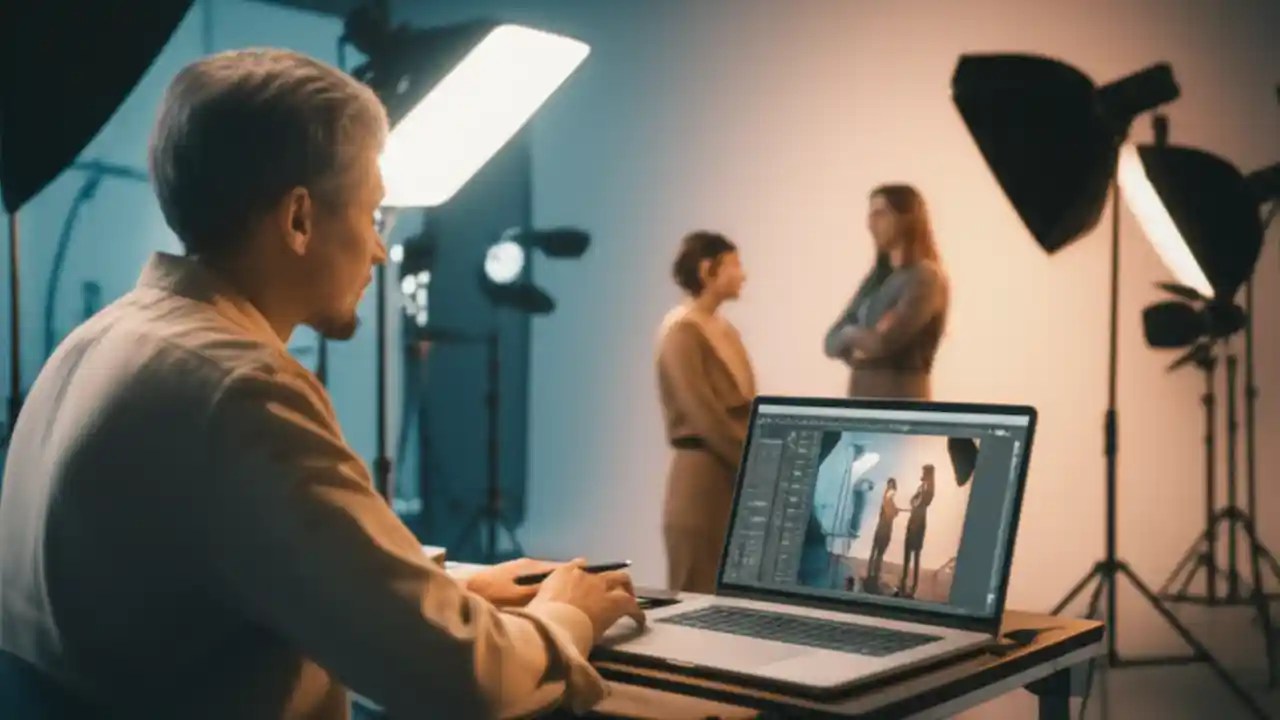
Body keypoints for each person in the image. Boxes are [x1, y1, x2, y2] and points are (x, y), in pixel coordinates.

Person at [0, 49, 642, 720]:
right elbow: (464, 683)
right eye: (371, 215)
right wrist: (564, 617)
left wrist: (458, 586)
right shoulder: (241, 390)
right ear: (299, 219)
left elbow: (222, 556)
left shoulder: (96, 344)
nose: (378, 250)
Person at [656, 231, 755, 593]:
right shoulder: (681, 331)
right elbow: (702, 413)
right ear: (707, 269)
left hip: (731, 472)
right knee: (696, 585)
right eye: (735, 265)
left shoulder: (725, 330)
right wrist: (751, 458)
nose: (742, 275)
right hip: (702, 477)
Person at [823, 184, 949, 400]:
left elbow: (883, 343)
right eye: (870, 215)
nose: (870, 224)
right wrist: (858, 336)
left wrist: (855, 336)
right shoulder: (876, 281)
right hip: (861, 412)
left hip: (901, 413)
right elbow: (831, 342)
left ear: (906, 219)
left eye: (880, 214)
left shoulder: (925, 277)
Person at [899, 465, 937, 599]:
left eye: (924, 472)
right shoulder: (922, 487)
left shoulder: (929, 489)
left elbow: (920, 502)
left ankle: (913, 587)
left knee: (915, 555)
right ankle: (903, 583)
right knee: (908, 553)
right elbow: (912, 501)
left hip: (919, 524)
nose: (922, 474)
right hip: (913, 521)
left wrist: (916, 501)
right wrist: (915, 501)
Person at [865, 478, 904, 591]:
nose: (891, 489)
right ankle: (872, 576)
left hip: (884, 529)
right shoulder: (887, 499)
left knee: (877, 552)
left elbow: (890, 512)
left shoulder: (888, 500)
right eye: (890, 486)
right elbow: (889, 514)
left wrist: (895, 511)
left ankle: (873, 576)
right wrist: (895, 512)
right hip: (883, 529)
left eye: (892, 487)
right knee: (877, 552)